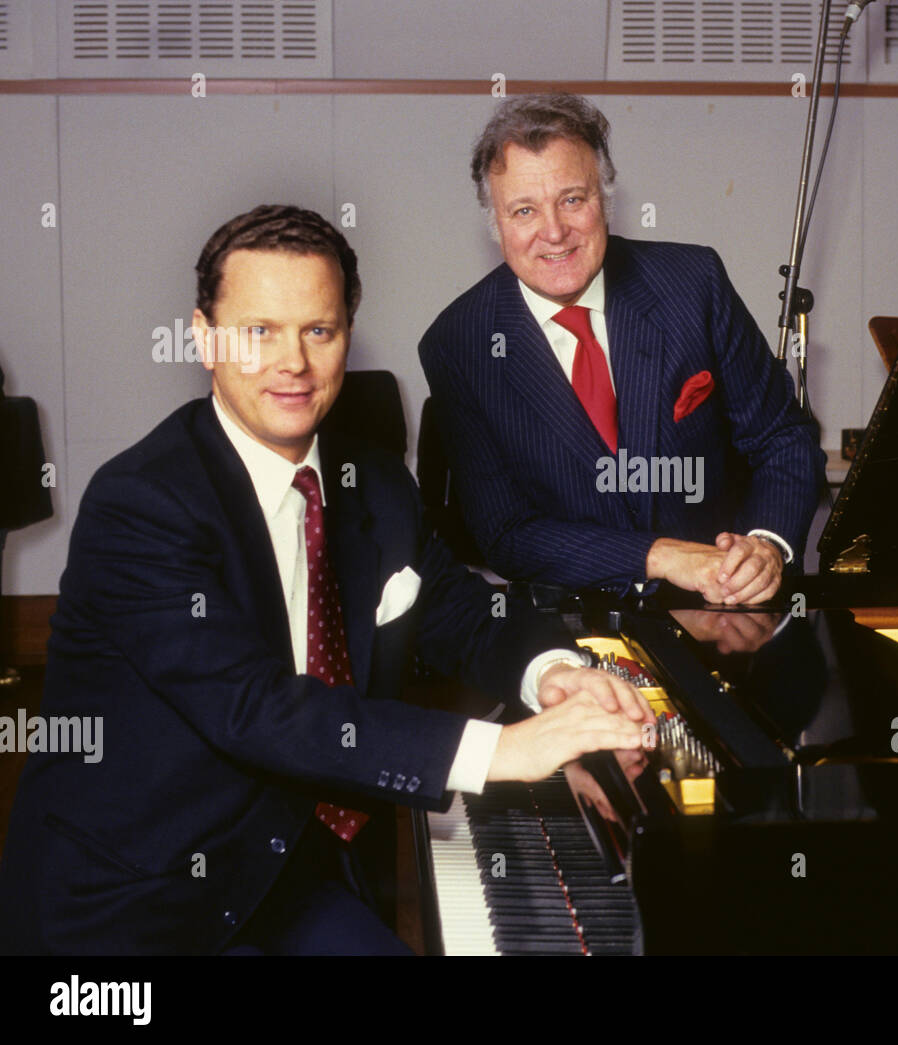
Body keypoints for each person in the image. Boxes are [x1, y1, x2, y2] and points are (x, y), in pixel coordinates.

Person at [0, 205, 648, 956]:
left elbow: (464, 612)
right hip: (134, 905)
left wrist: (554, 674)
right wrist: (505, 752)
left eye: (318, 330)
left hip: (283, 874)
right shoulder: (141, 503)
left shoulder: (371, 483)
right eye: (258, 331)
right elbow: (255, 708)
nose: (293, 363)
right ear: (204, 337)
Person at [419, 94, 825, 605]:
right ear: (495, 222)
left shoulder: (692, 283)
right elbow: (507, 534)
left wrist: (767, 547)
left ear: (605, 199)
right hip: (569, 620)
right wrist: (661, 556)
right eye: (524, 210)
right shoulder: (458, 344)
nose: (554, 231)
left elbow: (782, 437)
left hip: (725, 607)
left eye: (572, 199)